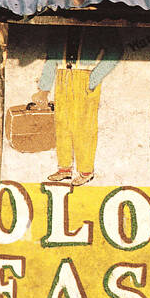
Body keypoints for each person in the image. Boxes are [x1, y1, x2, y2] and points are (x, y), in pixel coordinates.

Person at [34, 27, 121, 186]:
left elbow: (115, 51)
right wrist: (44, 90)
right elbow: (51, 59)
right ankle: (64, 168)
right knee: (62, 124)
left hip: (85, 77)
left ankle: (86, 171)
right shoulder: (59, 29)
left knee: (84, 127)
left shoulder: (96, 26)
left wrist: (94, 78)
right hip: (62, 76)